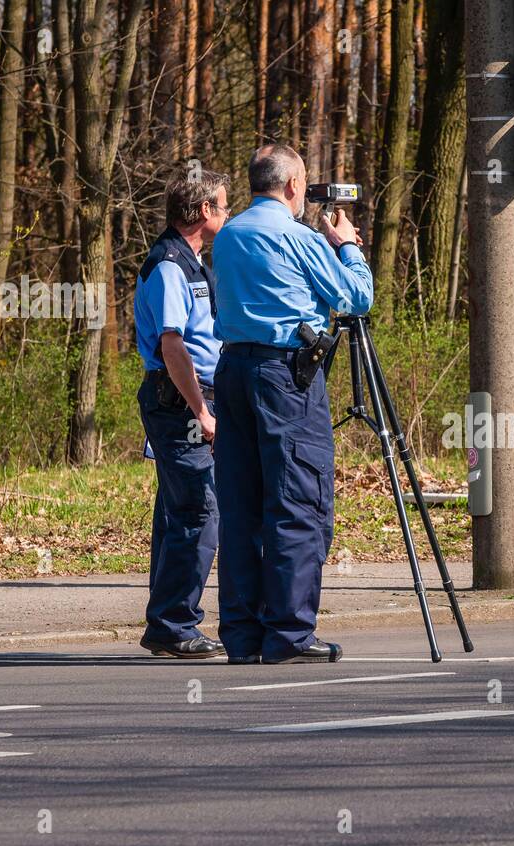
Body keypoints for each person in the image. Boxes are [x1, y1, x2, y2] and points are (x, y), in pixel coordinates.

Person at [211, 144, 372, 664]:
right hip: (286, 378)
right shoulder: (299, 238)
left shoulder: (229, 235)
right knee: (298, 502)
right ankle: (290, 633)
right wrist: (346, 247)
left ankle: (242, 633)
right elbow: (355, 299)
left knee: (240, 505)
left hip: (233, 371)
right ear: (295, 187)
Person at [133, 169, 231, 659]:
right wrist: (202, 410)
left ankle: (167, 621)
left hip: (195, 399)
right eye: (224, 206)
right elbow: (172, 346)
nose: (229, 214)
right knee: (198, 510)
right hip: (181, 403)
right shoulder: (170, 265)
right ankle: (174, 623)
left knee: (178, 512)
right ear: (203, 212)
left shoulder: (195, 262)